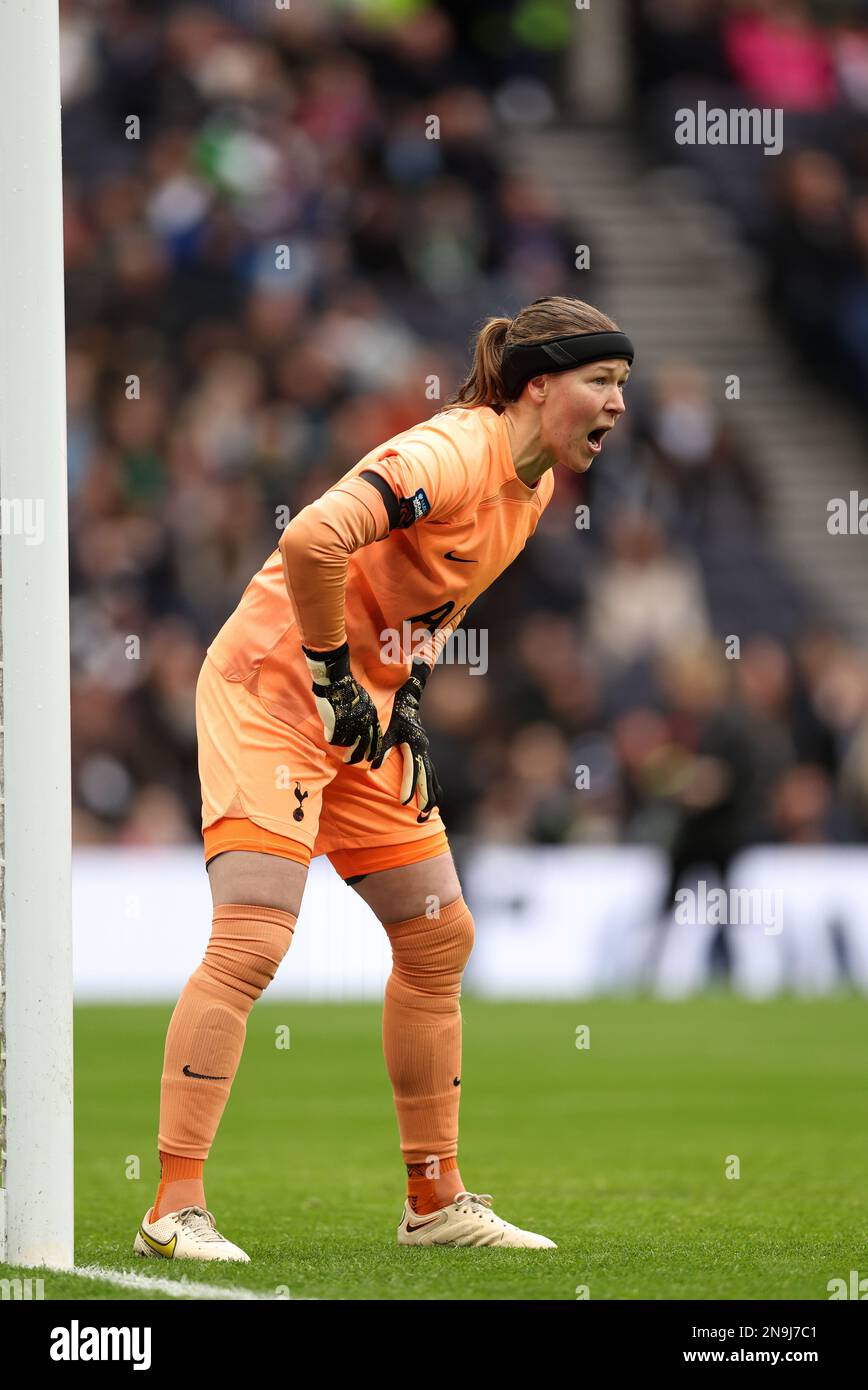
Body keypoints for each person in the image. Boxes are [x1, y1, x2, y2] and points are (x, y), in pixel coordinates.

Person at [133, 294, 633, 1259]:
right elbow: (313, 540)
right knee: (251, 944)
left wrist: (396, 680)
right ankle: (172, 1206)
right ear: (539, 387)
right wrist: (331, 670)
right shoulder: (454, 453)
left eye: (622, 387)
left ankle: (434, 1201)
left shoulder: (530, 489)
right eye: (602, 382)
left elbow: (405, 591)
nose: (617, 405)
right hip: (275, 690)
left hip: (357, 704)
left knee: (439, 937)